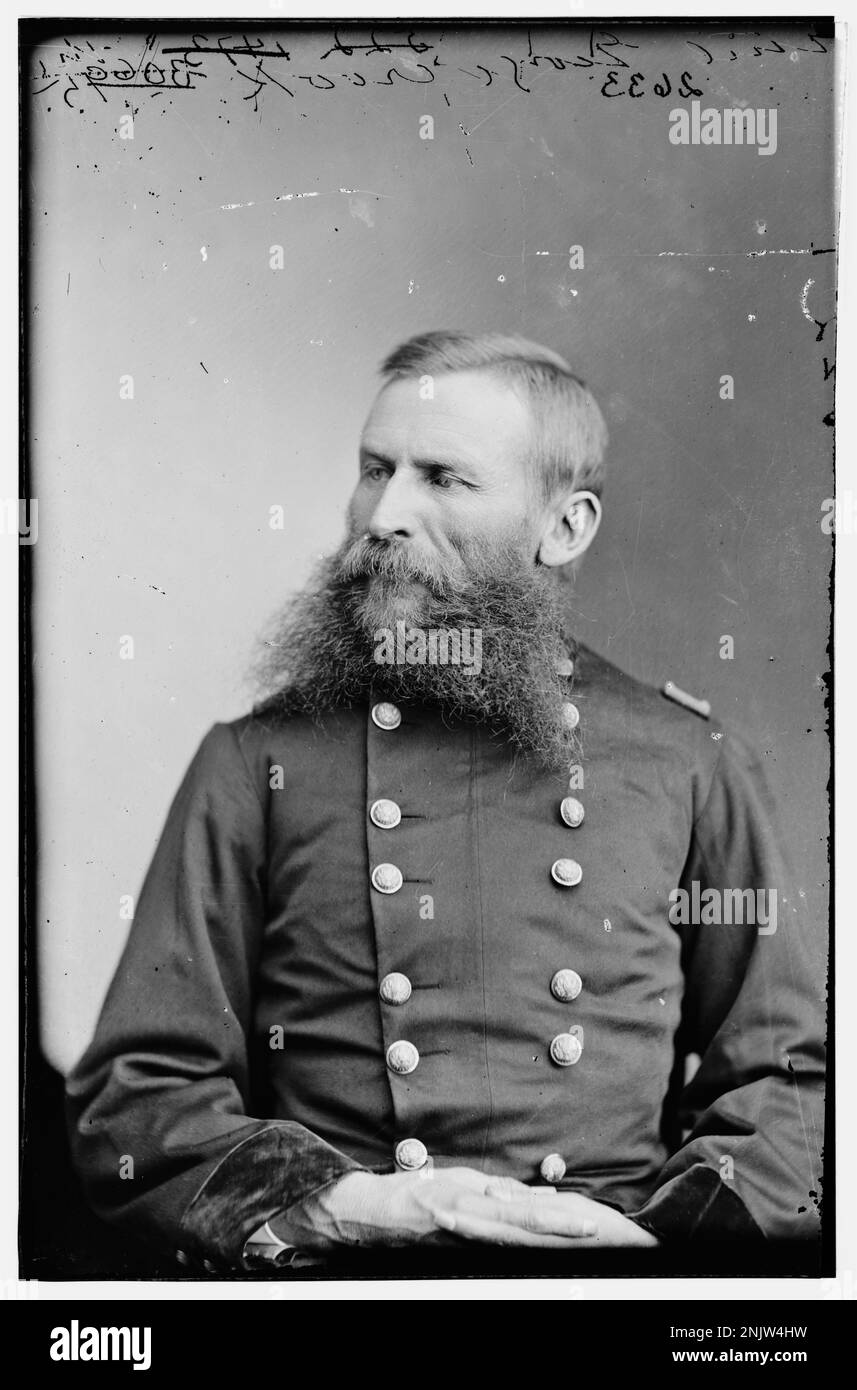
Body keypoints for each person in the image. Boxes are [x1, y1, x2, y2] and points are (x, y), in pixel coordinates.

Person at [66, 330, 826, 1273]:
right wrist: (349, 1208)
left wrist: (653, 1256)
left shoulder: (687, 763)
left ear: (565, 527)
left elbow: (789, 1080)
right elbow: (138, 1093)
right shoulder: (256, 760)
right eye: (374, 469)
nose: (384, 512)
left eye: (443, 478)